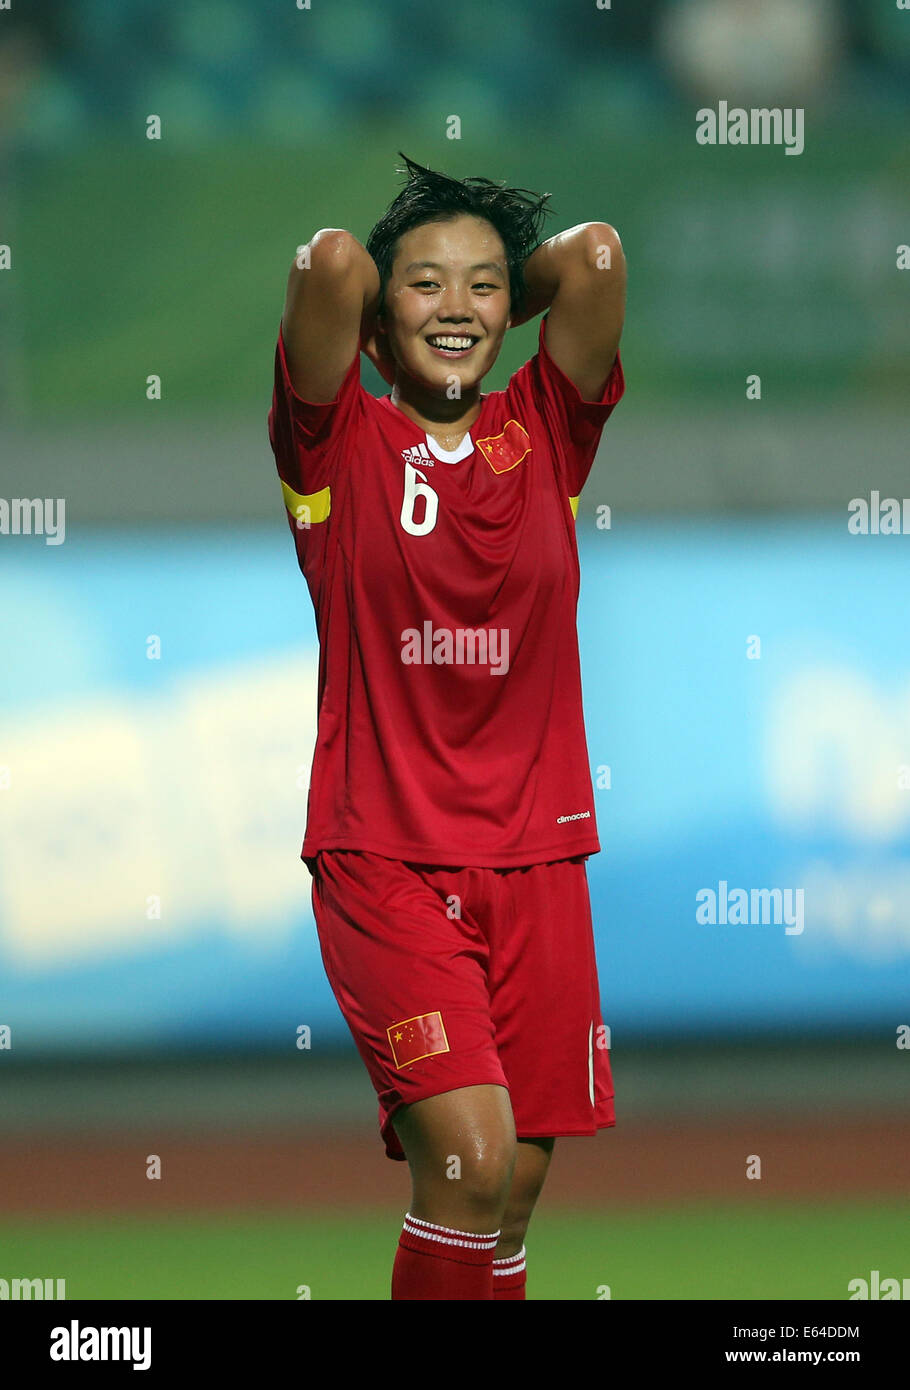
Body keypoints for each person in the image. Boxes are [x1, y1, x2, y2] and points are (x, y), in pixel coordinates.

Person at [267, 154, 626, 1300]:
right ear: (375, 328)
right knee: (465, 1160)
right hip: (385, 856)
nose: (460, 307)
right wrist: (397, 290)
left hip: (536, 855)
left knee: (510, 1185)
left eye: (482, 287)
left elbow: (598, 257)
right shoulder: (335, 447)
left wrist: (475, 295)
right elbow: (328, 262)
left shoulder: (544, 437)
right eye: (426, 286)